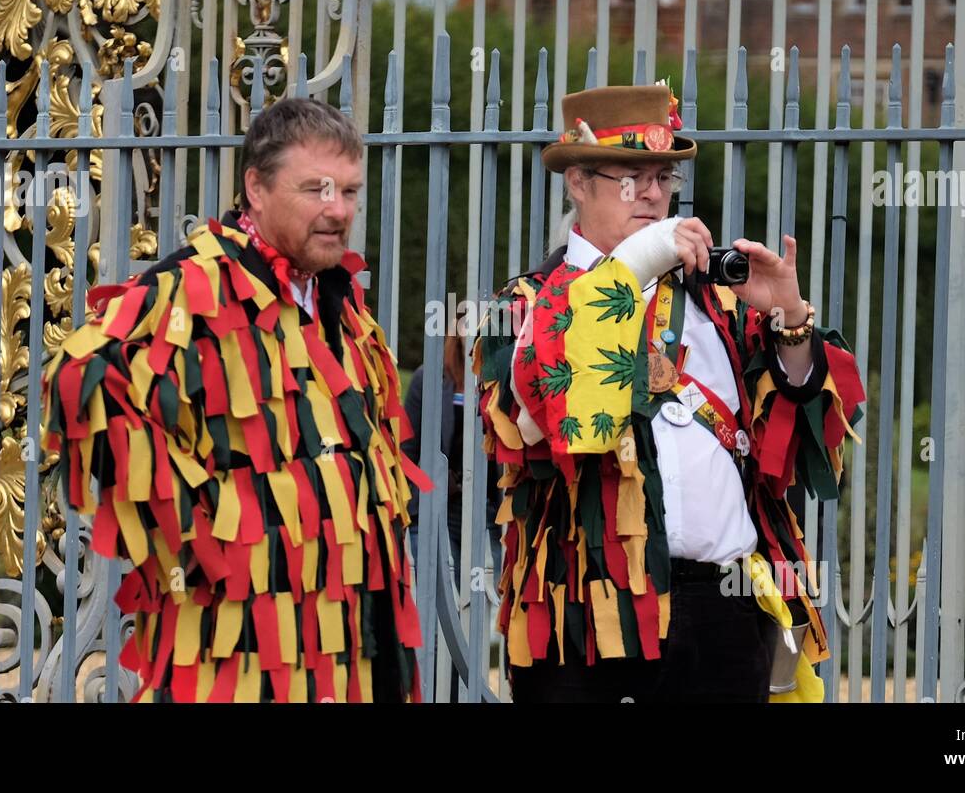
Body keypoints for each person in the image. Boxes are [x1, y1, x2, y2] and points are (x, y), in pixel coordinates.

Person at [473, 83, 866, 702]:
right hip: (584, 606)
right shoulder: (526, 303)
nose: (652, 192)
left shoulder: (721, 304)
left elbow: (797, 445)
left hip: (725, 609)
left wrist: (790, 319)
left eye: (663, 175)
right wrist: (635, 264)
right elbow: (550, 420)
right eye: (629, 176)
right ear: (577, 182)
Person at [43, 97, 427, 702]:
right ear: (255, 186)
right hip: (231, 653)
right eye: (317, 189)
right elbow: (79, 382)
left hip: (347, 641)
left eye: (350, 192)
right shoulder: (189, 287)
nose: (339, 210)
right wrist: (197, 530)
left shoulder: (341, 302)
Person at [402, 319, 503, 700]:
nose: (471, 327)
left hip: (485, 509)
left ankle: (469, 688)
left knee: (482, 603)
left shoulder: (495, 374)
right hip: (435, 509)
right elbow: (409, 449)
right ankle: (431, 689)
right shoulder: (432, 378)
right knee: (433, 604)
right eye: (464, 320)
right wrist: (416, 506)